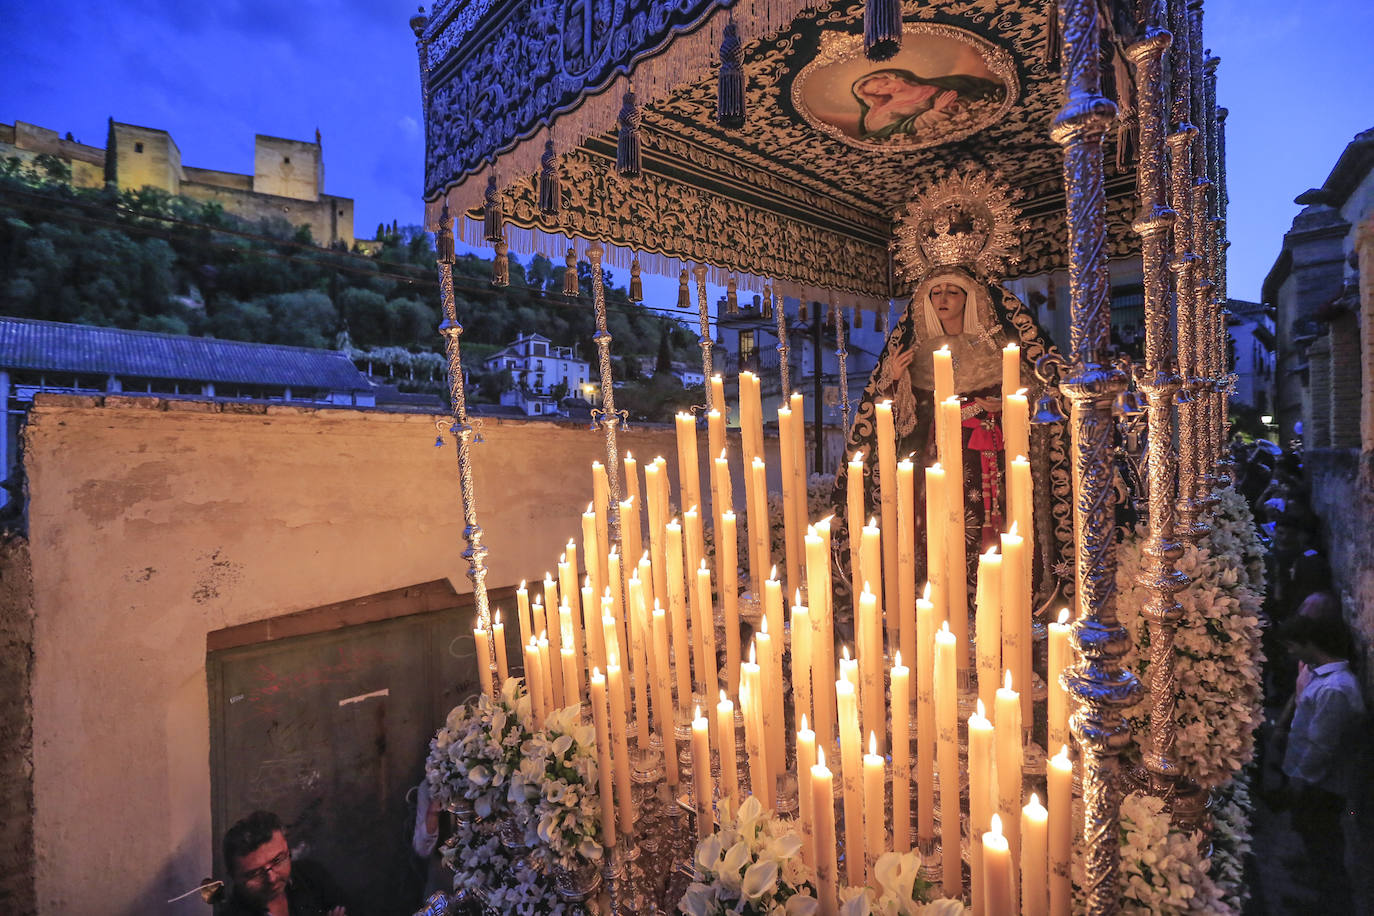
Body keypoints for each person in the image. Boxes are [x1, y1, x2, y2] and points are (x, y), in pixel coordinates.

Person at [1277, 612, 1369, 912]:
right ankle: (1319, 893)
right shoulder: (1325, 679)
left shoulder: (1336, 689)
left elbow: (1322, 746)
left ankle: (1333, 904)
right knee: (1315, 840)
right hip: (1316, 781)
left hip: (1322, 786)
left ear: (1310, 644)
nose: (1290, 652)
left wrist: (1301, 780)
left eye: (1293, 645)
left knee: (1325, 845)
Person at [217, 811, 348, 916]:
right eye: (254, 873)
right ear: (234, 877)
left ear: (288, 849)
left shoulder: (313, 876)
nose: (272, 879)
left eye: (278, 861)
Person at [851, 68, 1005, 141]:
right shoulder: (884, 111)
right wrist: (935, 112)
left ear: (893, 76)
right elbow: (891, 130)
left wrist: (958, 104)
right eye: (877, 92)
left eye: (884, 83)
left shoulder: (936, 86)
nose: (885, 89)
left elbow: (981, 90)